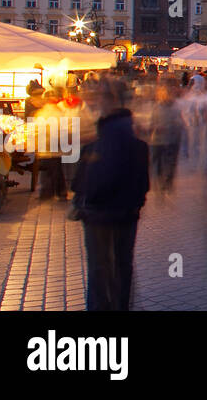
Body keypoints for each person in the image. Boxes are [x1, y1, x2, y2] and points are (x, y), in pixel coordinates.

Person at [70, 102, 150, 311]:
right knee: (123, 265)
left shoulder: (92, 147)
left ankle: (97, 307)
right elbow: (144, 184)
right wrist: (136, 206)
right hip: (126, 216)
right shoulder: (140, 147)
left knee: (98, 267)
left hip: (95, 217)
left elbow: (77, 183)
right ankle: (121, 305)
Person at [148, 84, 183, 193]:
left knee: (169, 163)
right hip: (157, 140)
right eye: (164, 93)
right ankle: (160, 181)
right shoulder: (156, 107)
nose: (166, 96)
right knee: (156, 163)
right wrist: (154, 128)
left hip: (170, 140)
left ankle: (167, 181)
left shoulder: (176, 108)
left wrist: (170, 127)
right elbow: (152, 123)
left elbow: (180, 123)